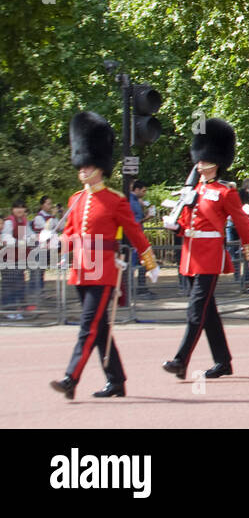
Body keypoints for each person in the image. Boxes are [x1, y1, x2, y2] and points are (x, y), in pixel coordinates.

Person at [50, 112, 159, 400]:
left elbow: (135, 233)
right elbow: (71, 235)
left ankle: (71, 378)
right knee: (99, 330)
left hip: (103, 272)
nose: (83, 169)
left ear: (99, 167)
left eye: (88, 165)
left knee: (88, 327)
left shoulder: (115, 200)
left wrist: (150, 262)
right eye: (81, 164)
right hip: (80, 270)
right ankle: (117, 381)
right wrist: (57, 241)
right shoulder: (75, 200)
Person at [162, 118, 249, 380]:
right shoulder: (192, 191)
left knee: (195, 311)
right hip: (190, 255)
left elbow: (242, 223)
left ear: (216, 162)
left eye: (205, 160)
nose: (200, 164)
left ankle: (181, 360)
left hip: (210, 256)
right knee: (208, 313)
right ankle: (223, 361)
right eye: (199, 160)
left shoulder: (225, 192)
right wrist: (175, 226)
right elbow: (185, 223)